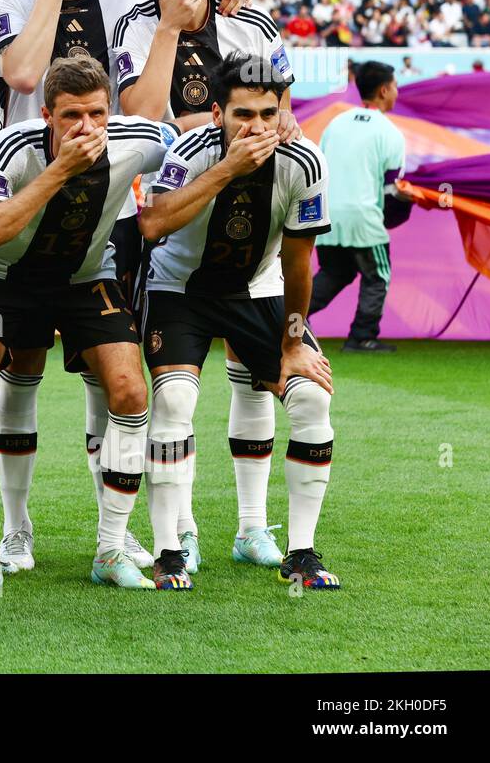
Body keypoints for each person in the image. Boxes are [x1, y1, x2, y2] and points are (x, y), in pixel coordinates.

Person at [0, 0, 249, 572]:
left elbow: (153, 86)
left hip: (114, 202)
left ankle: (118, 531)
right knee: (23, 366)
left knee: (112, 374)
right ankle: (16, 528)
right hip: (29, 194)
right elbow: (22, 73)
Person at [111, 0, 302, 576]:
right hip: (170, 206)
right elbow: (139, 114)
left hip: (252, 209)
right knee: (161, 390)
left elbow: (288, 114)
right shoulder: (135, 27)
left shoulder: (254, 24)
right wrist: (168, 24)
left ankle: (252, 528)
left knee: (255, 380)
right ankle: (176, 528)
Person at [0, 55, 178, 592]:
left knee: (129, 391)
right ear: (48, 116)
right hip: (0, 275)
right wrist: (59, 171)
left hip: (83, 276)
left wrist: (282, 115)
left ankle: (111, 546)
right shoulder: (13, 147)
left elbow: (194, 141)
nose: (86, 127)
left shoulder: (137, 140)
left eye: (97, 114)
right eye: (71, 115)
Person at [138, 54, 339, 592]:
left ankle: (300, 553)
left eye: (268, 115)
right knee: (175, 402)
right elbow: (153, 222)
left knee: (312, 398)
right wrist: (228, 168)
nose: (256, 127)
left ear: (281, 114)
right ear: (217, 113)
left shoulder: (304, 162)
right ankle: (170, 552)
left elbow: (299, 265)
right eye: (243, 115)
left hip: (256, 289)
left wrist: (293, 343)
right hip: (179, 291)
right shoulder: (191, 151)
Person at [309, 61, 411, 353]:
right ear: (383, 90)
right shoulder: (389, 132)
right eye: (394, 86)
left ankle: (286, 321)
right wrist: (398, 214)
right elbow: (392, 189)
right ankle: (362, 336)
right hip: (363, 216)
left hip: (328, 215)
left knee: (334, 273)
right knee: (378, 275)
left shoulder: (336, 123)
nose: (396, 91)